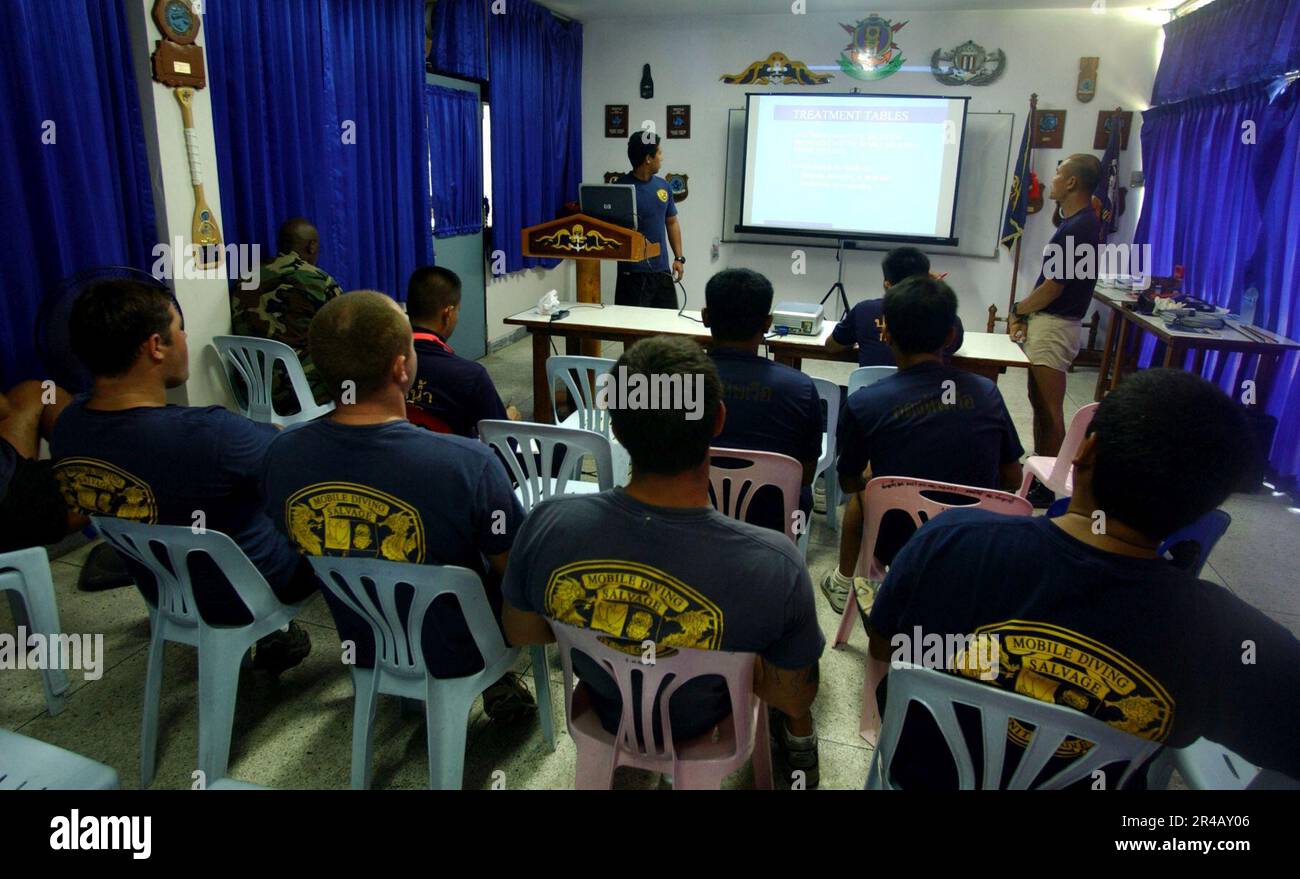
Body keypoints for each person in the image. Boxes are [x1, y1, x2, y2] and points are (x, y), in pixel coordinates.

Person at [865, 369, 1300, 788]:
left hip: (922, 777)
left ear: (1085, 452)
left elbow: (885, 648)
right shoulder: (1224, 637)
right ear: (1209, 506)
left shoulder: (948, 542)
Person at [500, 335, 825, 786]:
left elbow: (520, 630)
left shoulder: (545, 526)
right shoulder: (776, 564)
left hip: (604, 710)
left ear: (612, 426)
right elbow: (793, 697)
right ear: (718, 421)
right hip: (709, 724)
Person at [261, 290, 535, 722]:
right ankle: (499, 679)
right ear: (401, 367)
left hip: (363, 639)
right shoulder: (468, 463)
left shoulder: (281, 455)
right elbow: (517, 574)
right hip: (463, 646)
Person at [52, 279, 313, 672]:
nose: (187, 336)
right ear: (155, 346)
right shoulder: (213, 434)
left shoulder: (68, 425)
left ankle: (273, 639)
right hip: (255, 588)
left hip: (164, 588)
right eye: (179, 328)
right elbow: (298, 472)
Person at [823, 276, 1023, 614]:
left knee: (866, 490)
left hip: (895, 542)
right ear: (950, 336)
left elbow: (847, 482)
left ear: (886, 335)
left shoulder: (864, 402)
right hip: (976, 541)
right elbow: (1013, 479)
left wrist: (879, 477)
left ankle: (845, 583)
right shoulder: (987, 392)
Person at [1007, 154, 1102, 507]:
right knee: (1038, 402)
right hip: (1051, 323)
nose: (1053, 180)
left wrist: (1018, 308)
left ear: (1073, 182)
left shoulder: (1079, 227)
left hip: (1056, 325)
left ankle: (1052, 484)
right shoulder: (1078, 222)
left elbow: (1054, 286)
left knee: (1050, 409)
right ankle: (1041, 469)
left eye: (1059, 173)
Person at [701, 268, 822, 535]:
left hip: (689, 516)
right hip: (773, 526)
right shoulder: (800, 388)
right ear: (767, 323)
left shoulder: (677, 381)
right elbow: (806, 474)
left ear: (705, 317)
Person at [230, 217, 343, 409]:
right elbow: (346, 334)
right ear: (312, 246)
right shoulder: (319, 280)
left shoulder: (246, 278)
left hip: (252, 390)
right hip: (300, 392)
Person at [403, 266, 520, 437]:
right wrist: (508, 420)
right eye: (457, 311)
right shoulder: (470, 375)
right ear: (448, 314)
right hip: (452, 461)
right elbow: (500, 441)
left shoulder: (376, 363)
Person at [826, 247, 964, 367]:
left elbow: (832, 346)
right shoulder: (948, 319)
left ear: (887, 284)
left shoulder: (864, 310)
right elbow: (951, 347)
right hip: (927, 394)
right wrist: (932, 290)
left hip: (873, 392)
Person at [0, 381, 80, 553]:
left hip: (7, 467)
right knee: (125, 470)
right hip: (8, 502)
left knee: (44, 391)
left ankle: (81, 466)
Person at [614, 133, 685, 309]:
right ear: (648, 158)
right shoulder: (620, 189)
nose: (662, 157)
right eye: (659, 153)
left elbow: (672, 222)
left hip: (661, 271)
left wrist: (679, 258)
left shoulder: (663, 186)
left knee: (668, 329)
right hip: (632, 274)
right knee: (633, 332)